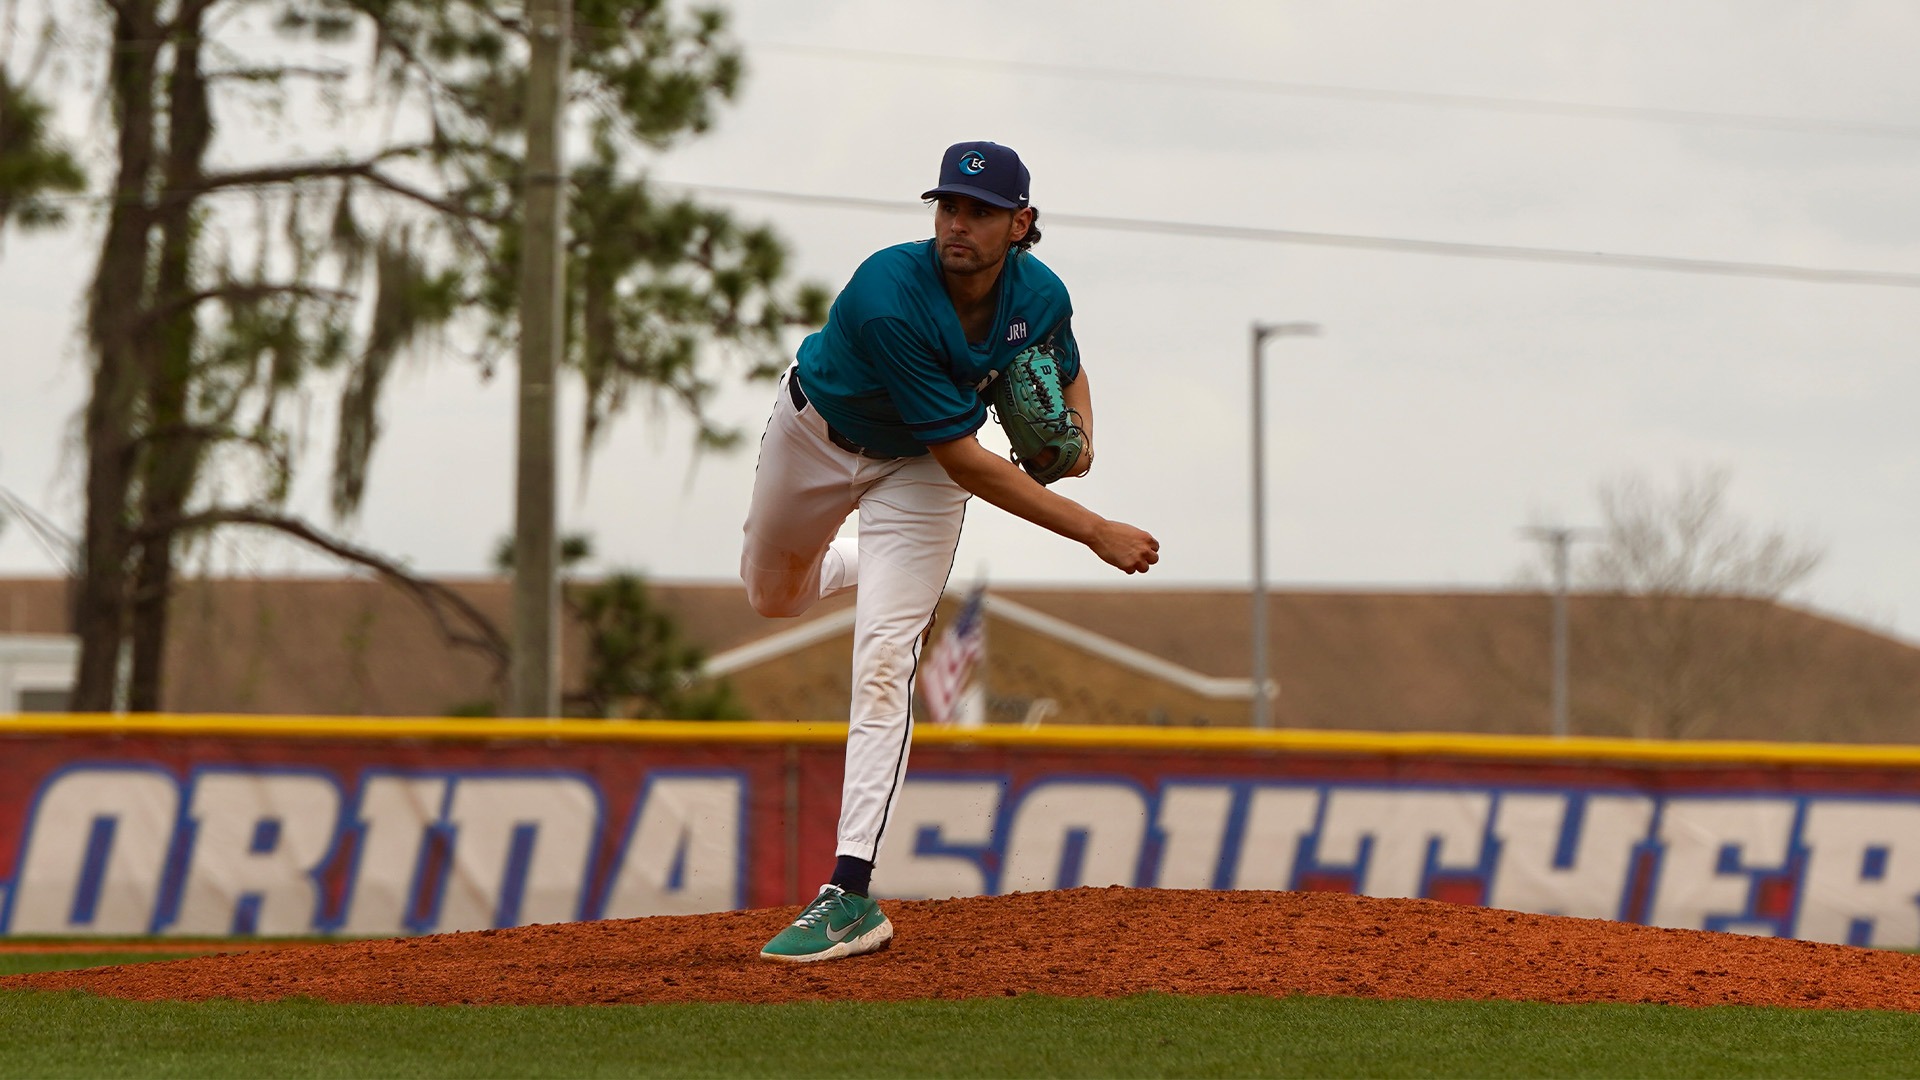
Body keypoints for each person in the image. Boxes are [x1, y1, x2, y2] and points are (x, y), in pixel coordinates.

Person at [740, 140, 1159, 963]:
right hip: (817, 438)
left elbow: (1070, 375)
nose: (958, 223)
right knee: (772, 597)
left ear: (1021, 223)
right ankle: (867, 562)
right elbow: (974, 458)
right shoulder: (890, 292)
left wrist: (1081, 443)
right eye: (948, 206)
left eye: (979, 210)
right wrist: (1093, 526)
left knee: (884, 658)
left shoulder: (1041, 293)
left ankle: (849, 894)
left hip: (920, 478)